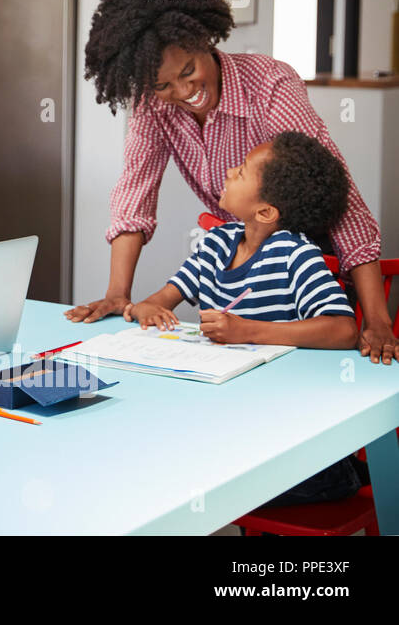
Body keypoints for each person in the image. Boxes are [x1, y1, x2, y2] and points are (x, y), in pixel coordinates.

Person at [65, 0, 395, 365]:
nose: (185, 92)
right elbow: (134, 195)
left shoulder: (269, 85)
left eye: (188, 71)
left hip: (314, 254)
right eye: (164, 85)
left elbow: (343, 198)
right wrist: (119, 294)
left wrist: (377, 318)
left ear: (203, 39)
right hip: (242, 243)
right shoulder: (152, 107)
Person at [126, 132, 365, 506]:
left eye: (240, 172)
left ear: (266, 212)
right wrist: (149, 308)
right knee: (167, 457)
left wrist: (248, 331)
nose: (228, 172)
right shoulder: (217, 243)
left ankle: (340, 473)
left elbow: (342, 328)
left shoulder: (294, 254)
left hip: (284, 424)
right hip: (232, 418)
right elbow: (157, 301)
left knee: (194, 474)